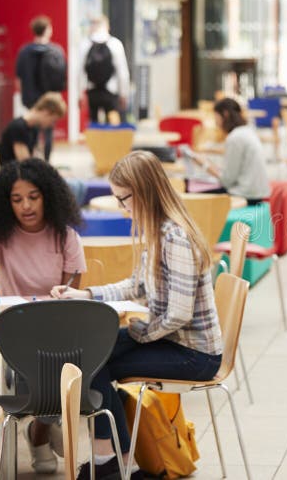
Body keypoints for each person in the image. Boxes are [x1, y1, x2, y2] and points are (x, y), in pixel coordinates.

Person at [51, 151, 223, 480]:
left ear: (143, 192)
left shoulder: (174, 238)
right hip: (175, 341)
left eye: (123, 199)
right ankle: (119, 458)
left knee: (92, 360)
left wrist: (138, 333)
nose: (121, 208)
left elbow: (178, 315)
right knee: (90, 357)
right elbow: (137, 286)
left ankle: (112, 461)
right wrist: (86, 293)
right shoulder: (158, 231)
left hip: (195, 354)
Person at [0, 158, 86, 474]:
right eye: (16, 200)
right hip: (9, 327)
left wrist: (64, 292)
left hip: (52, 329)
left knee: (61, 364)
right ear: (6, 203)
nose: (26, 206)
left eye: (33, 196)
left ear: (48, 195)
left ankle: (39, 432)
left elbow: (72, 295)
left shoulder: (66, 237)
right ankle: (35, 432)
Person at [187, 97, 270, 205]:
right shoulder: (248, 131)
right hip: (256, 193)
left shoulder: (235, 138)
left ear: (225, 114)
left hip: (245, 195)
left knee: (191, 197)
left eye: (216, 117)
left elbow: (227, 180)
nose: (216, 123)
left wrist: (204, 165)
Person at [15, 15, 67, 162]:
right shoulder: (56, 50)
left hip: (31, 98)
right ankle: (47, 161)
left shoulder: (24, 52)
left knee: (32, 129)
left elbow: (18, 79)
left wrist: (24, 94)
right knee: (49, 131)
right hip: (50, 98)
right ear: (47, 30)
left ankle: (32, 160)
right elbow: (62, 76)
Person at [79, 16, 130, 123]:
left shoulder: (85, 44)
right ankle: (112, 139)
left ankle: (94, 140)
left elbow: (80, 71)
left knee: (93, 124)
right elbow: (122, 72)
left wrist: (80, 94)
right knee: (113, 125)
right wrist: (123, 94)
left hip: (92, 91)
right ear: (107, 26)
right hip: (111, 91)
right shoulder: (115, 44)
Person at [0, 92, 66, 166]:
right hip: (13, 175)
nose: (52, 125)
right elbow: (25, 163)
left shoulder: (33, 128)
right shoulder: (18, 127)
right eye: (53, 120)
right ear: (46, 112)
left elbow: (34, 158)